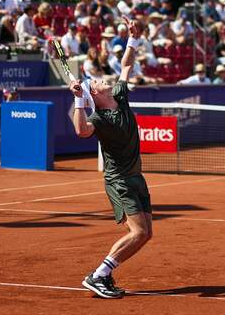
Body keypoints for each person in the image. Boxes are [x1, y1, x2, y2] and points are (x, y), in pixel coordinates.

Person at [68, 18, 152, 299]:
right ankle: (98, 275)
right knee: (138, 233)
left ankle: (104, 274)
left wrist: (134, 39)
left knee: (146, 233)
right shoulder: (99, 118)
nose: (102, 78)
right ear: (95, 93)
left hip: (135, 177)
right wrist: (79, 100)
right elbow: (81, 131)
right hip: (119, 180)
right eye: (96, 81)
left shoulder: (119, 94)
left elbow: (126, 65)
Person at [0, 88, 20, 166]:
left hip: (16, 134)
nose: (14, 96)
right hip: (5, 134)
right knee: (5, 160)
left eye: (15, 94)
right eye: (12, 94)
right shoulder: (1, 107)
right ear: (7, 95)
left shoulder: (20, 106)